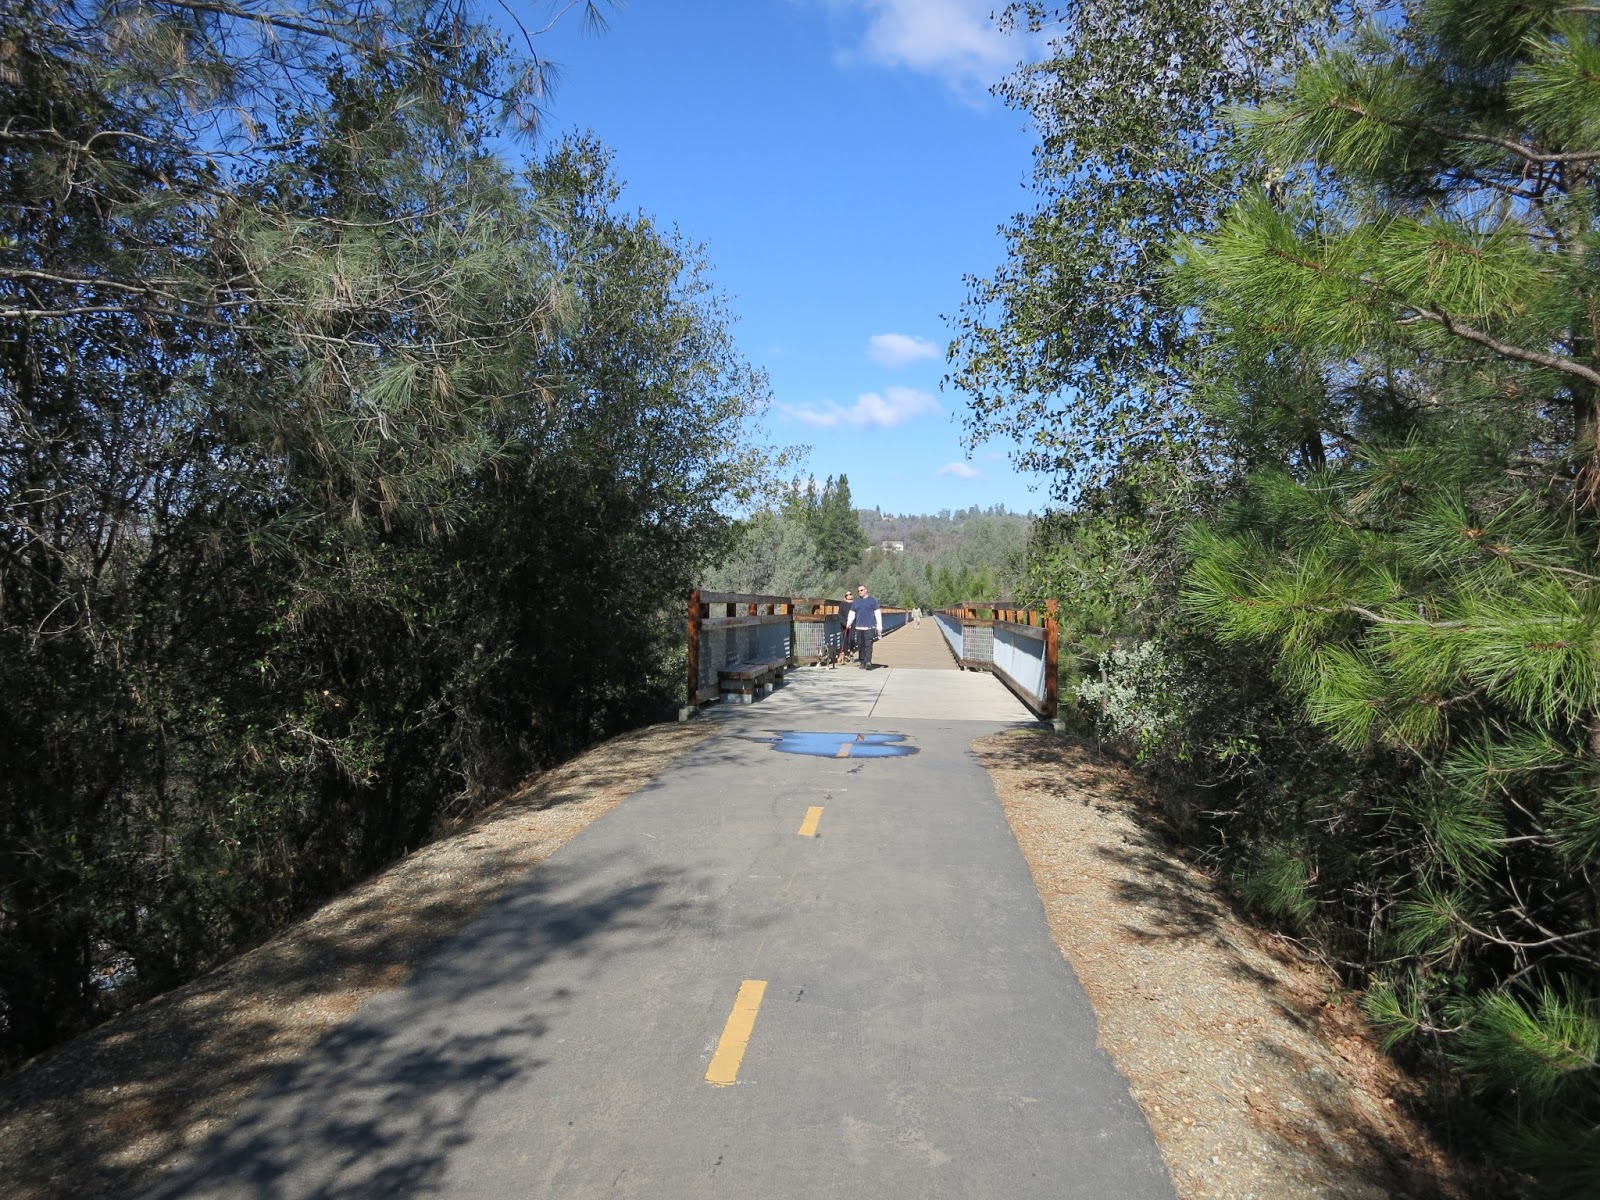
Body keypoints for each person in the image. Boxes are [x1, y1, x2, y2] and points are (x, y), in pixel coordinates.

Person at [846, 583, 883, 669]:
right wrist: (849, 622)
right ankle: (862, 661)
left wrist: (879, 626)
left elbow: (877, 614)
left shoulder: (872, 601)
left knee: (868, 644)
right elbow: (852, 613)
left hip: (869, 627)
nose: (860, 592)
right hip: (859, 627)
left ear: (866, 590)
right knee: (860, 645)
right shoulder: (856, 602)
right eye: (858, 591)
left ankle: (868, 661)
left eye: (862, 590)